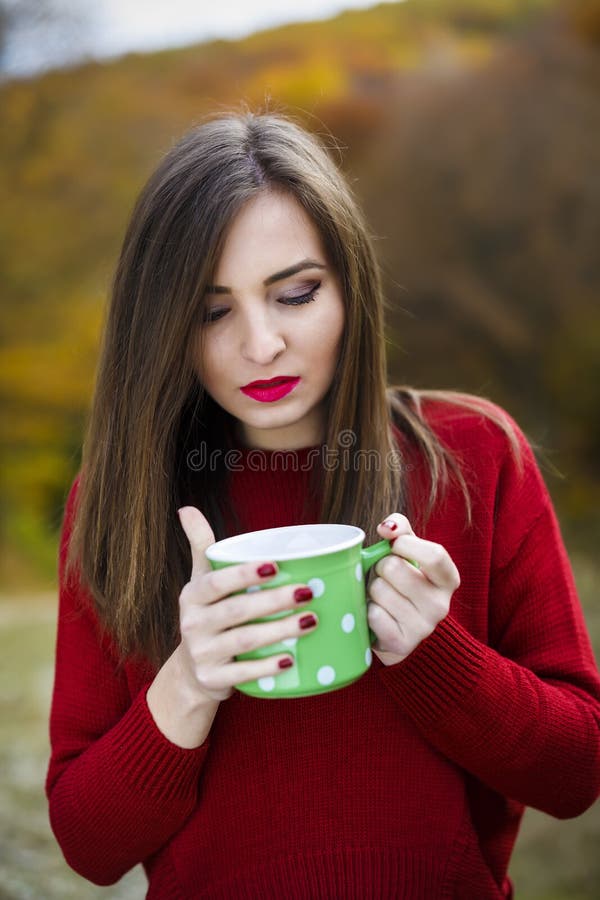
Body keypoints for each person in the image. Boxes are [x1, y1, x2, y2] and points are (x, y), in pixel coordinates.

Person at [46, 106, 600, 900]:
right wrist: (190, 681)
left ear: (350, 289)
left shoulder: (475, 455)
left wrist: (436, 654)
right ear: (162, 324)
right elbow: (88, 847)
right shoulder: (120, 499)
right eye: (212, 311)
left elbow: (576, 773)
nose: (261, 343)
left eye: (296, 294)